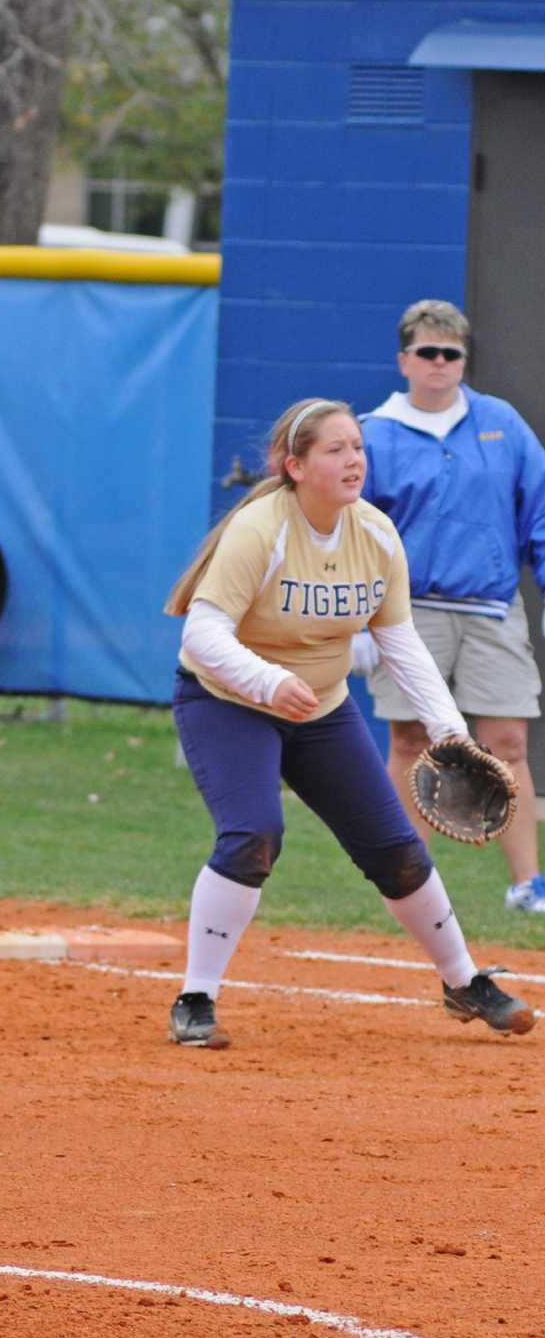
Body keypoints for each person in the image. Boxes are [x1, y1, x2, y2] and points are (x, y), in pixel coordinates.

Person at [161, 395, 534, 1050]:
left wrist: (447, 727)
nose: (353, 460)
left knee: (395, 850)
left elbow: (399, 641)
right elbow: (204, 633)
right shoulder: (261, 529)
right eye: (334, 450)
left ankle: (464, 982)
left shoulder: (375, 533)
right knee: (252, 835)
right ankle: (195, 998)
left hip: (320, 709)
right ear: (295, 466)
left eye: (356, 447)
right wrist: (268, 681)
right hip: (226, 701)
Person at [358, 298, 545, 914]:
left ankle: (528, 885)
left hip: (491, 607)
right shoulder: (373, 433)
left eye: (451, 353)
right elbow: (355, 532)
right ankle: (406, 882)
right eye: (428, 352)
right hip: (406, 614)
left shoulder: (501, 424)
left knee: (507, 742)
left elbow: (541, 511)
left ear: (464, 360)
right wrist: (358, 619)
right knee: (411, 741)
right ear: (404, 361)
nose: (439, 363)